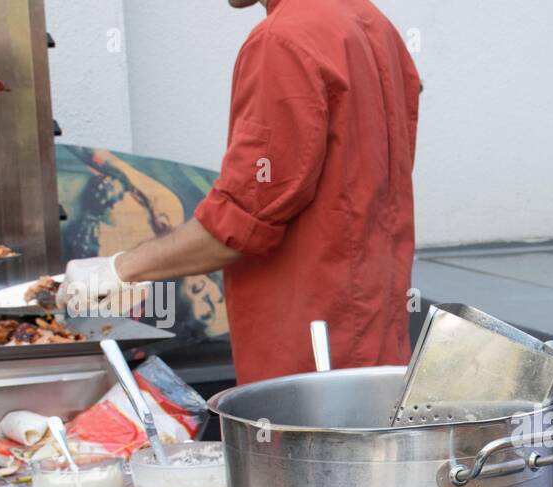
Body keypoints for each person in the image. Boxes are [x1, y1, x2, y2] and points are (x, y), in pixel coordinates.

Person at [57, 0, 422, 384]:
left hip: (311, 352)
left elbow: (241, 223)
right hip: (376, 332)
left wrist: (118, 269)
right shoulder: (374, 25)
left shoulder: (282, 39)